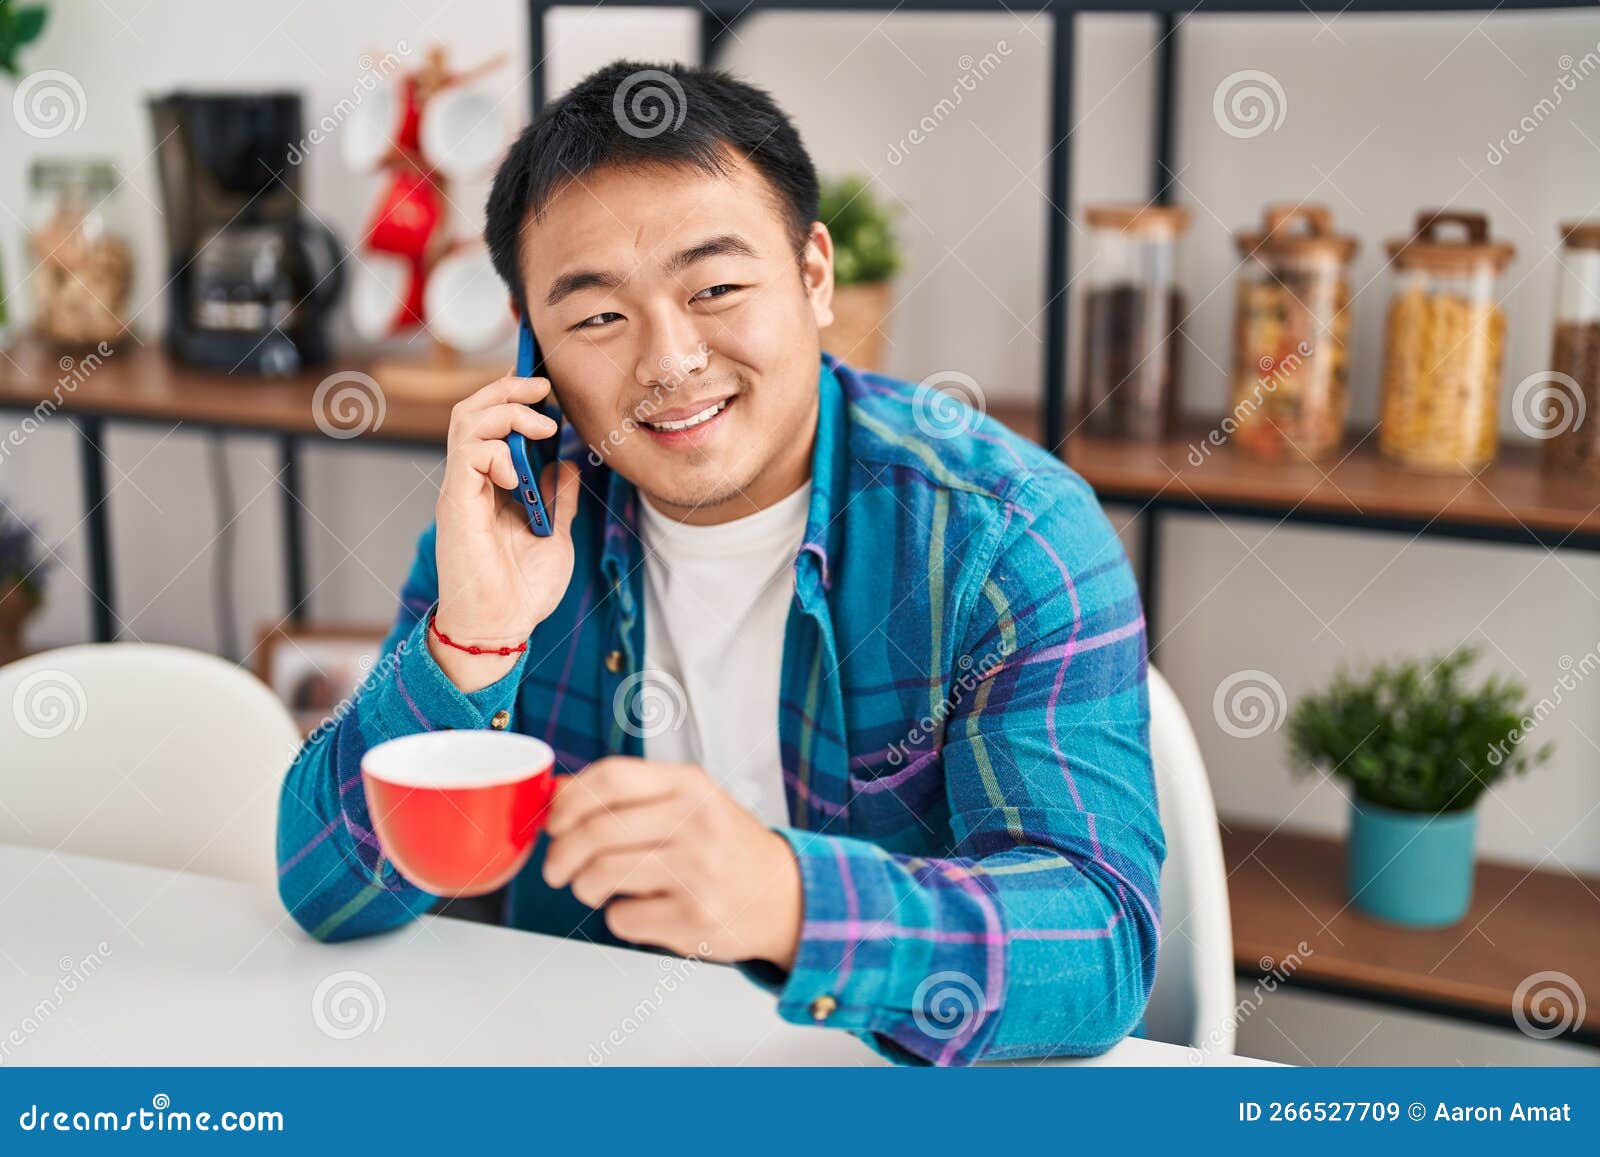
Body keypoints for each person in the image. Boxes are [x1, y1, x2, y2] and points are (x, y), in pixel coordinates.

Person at [276, 59, 1166, 1066]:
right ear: (533, 354)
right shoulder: (511, 526)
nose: (667, 359)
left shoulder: (1002, 534)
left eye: (717, 287)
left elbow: (1098, 945)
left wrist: (784, 901)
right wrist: (469, 643)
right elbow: (322, 890)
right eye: (597, 317)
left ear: (814, 275)